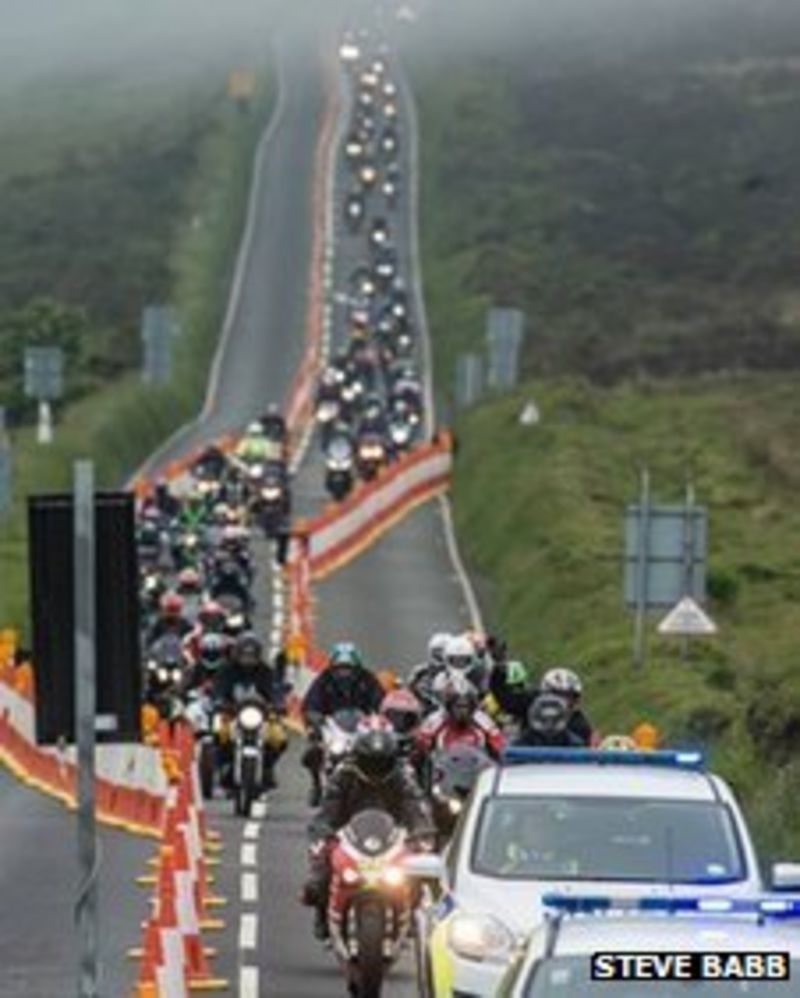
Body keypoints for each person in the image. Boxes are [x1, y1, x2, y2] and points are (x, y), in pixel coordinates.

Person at [303, 729, 433, 939]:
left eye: (381, 762)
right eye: (371, 762)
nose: (376, 768)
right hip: (348, 837)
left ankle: (413, 915)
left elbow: (415, 808)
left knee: (420, 868)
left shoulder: (402, 777)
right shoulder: (343, 776)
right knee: (321, 865)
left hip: (393, 837)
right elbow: (327, 812)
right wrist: (324, 832)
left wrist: (421, 832)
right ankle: (322, 914)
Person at [301, 643, 386, 805]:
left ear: (357, 668)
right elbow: (310, 703)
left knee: (383, 751)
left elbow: (381, 703)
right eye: (339, 668)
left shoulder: (368, 680)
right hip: (332, 727)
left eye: (348, 668)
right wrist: (314, 718)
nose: (344, 673)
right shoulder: (323, 680)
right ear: (332, 668)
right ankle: (317, 784)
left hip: (362, 727)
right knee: (313, 751)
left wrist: (380, 719)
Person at [212, 632, 286, 791]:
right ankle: (224, 766)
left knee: (279, 738)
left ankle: (267, 768)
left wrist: (279, 704)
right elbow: (219, 689)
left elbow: (274, 690)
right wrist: (219, 701)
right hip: (232, 713)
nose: (248, 659)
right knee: (218, 734)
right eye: (245, 655)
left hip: (261, 715)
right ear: (237, 653)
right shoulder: (227, 670)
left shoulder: (265, 671)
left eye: (252, 656)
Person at [414, 680, 504, 763]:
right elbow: (421, 742)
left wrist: (496, 748)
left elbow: (498, 741)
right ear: (449, 707)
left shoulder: (482, 718)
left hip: (476, 768)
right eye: (458, 706)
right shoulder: (436, 718)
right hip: (443, 771)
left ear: (472, 707)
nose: (462, 711)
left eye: (465, 706)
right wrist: (423, 744)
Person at [540, 668, 593, 746]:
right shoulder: (535, 719)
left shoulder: (580, 726)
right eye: (557, 695)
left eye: (568, 697)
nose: (562, 702)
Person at [513, 693, 584, 748]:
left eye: (554, 719)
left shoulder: (575, 744)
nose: (549, 724)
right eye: (543, 720)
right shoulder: (519, 743)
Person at [408, 632, 450, 712]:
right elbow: (410, 691)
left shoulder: (459, 672)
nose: (442, 655)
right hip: (426, 711)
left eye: (445, 652)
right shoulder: (420, 672)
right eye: (438, 652)